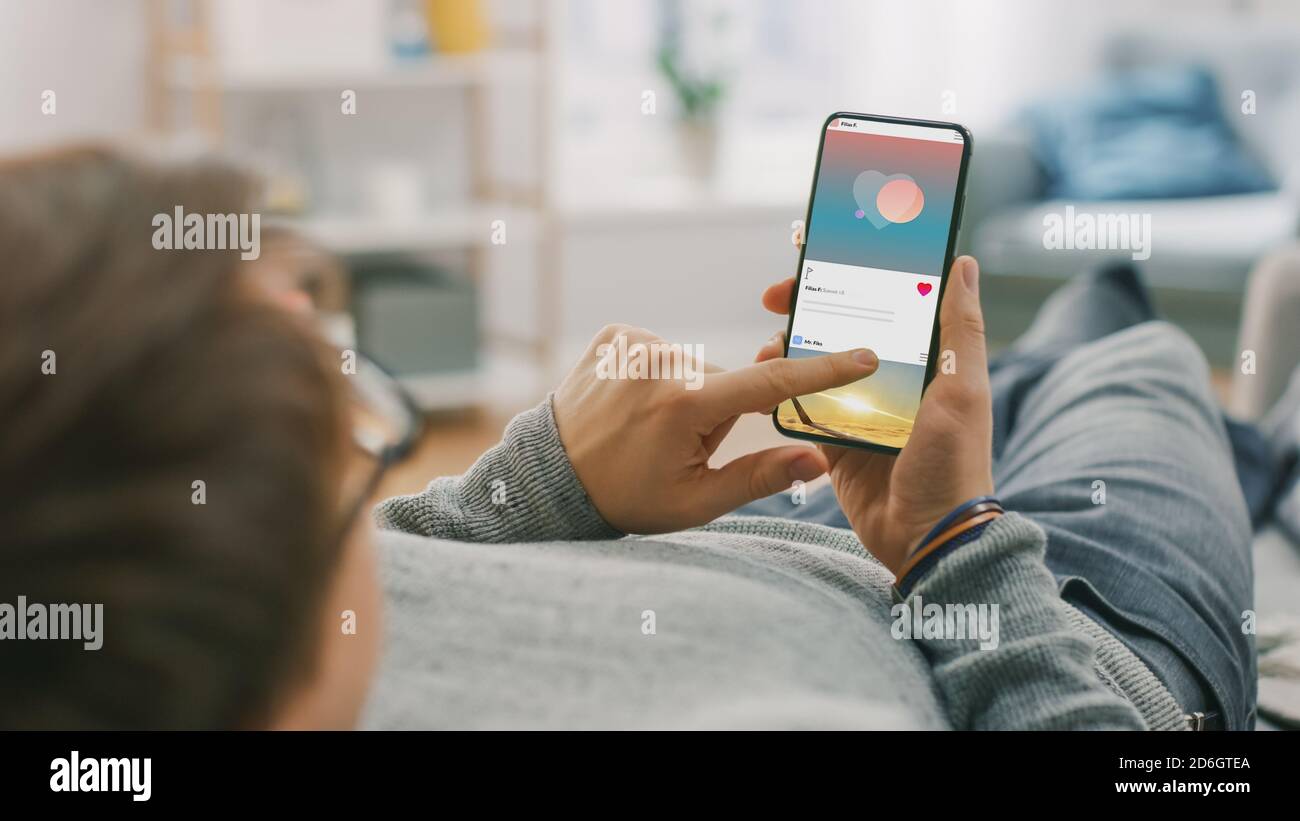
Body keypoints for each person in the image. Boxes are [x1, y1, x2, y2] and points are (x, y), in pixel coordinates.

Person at [0, 148, 1255, 730]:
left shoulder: (176, 624)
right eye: (349, 449)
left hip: (772, 529)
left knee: (1000, 372)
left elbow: (405, 559)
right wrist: (952, 537)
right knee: (1122, 344)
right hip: (1035, 616)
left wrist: (552, 472)